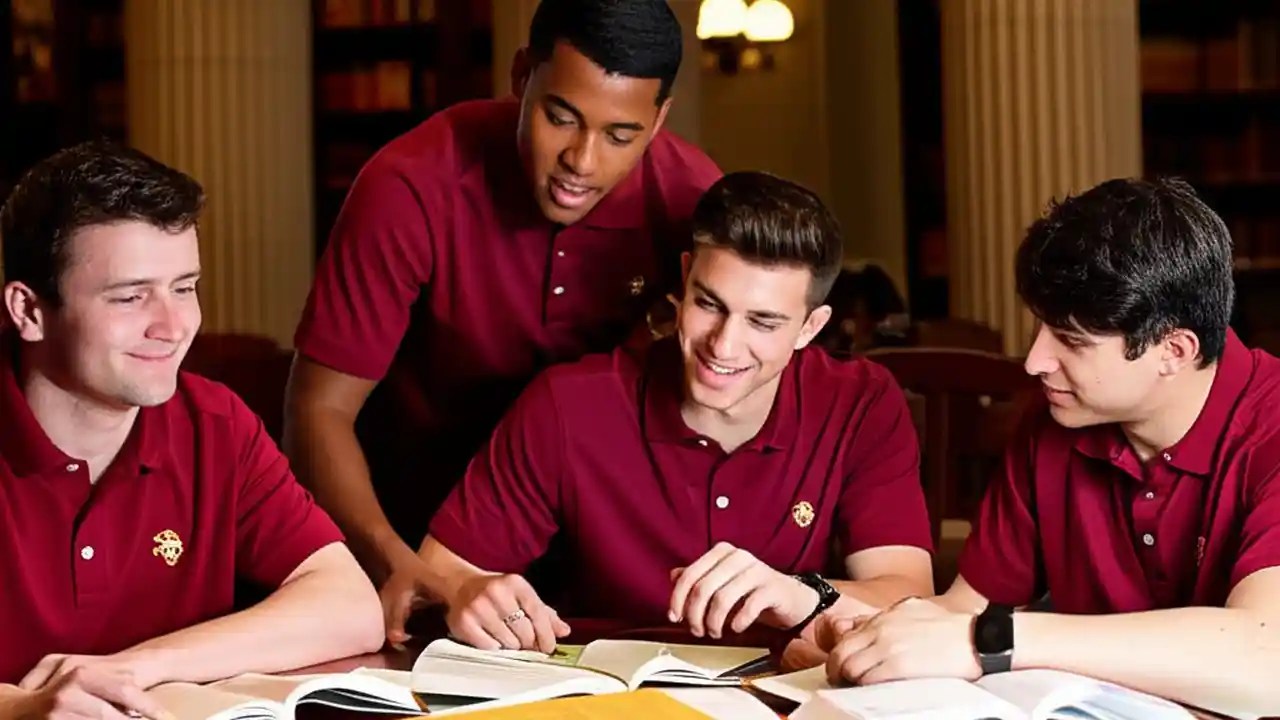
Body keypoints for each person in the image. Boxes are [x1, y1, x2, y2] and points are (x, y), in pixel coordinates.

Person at [284, 0, 722, 616]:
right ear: (522, 77)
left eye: (620, 135)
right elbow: (317, 410)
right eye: (560, 117)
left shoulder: (691, 201)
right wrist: (392, 559)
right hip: (406, 531)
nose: (583, 161)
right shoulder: (411, 183)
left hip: (600, 560)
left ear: (658, 120)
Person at [381, 171, 934, 651]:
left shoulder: (862, 401)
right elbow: (440, 570)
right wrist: (467, 593)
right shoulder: (569, 404)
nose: (723, 345)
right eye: (709, 304)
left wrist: (800, 594)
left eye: (763, 323)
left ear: (810, 328)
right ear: (686, 277)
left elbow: (907, 595)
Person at [818, 178, 1280, 718]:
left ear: (1173, 350)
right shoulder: (1056, 421)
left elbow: (1267, 659)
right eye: (1041, 327)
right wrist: (856, 628)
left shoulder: (1269, 427)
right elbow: (963, 610)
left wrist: (991, 641)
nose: (1035, 361)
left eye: (1073, 341)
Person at [0, 141, 383, 716]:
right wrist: (24, 709)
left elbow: (352, 607)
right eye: (130, 297)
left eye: (184, 288)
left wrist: (135, 668)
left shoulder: (215, 424)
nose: (175, 326)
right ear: (29, 312)